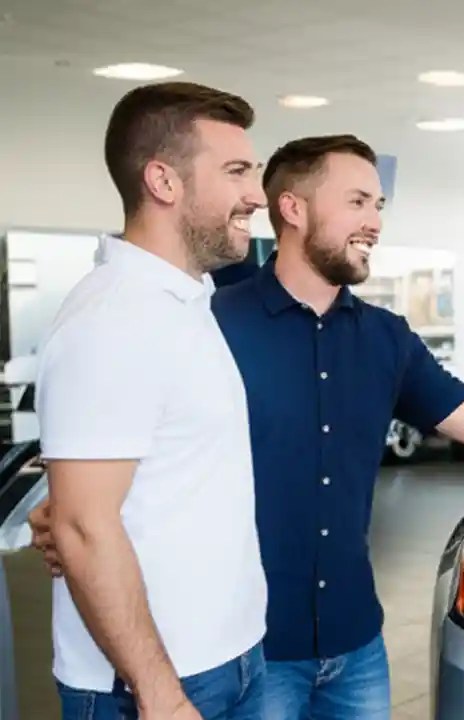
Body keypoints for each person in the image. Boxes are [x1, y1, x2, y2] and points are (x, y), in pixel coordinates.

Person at [33, 133, 464, 719]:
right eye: (357, 202)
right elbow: (130, 440)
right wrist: (65, 509)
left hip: (356, 645)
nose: (375, 221)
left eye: (378, 204)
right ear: (292, 209)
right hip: (250, 652)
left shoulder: (386, 337)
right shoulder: (210, 320)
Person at [34, 81, 270, 719]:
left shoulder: (185, 301)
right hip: (150, 686)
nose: (258, 194)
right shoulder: (113, 318)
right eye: (237, 172)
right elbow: (84, 527)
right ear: (164, 182)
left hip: (231, 660)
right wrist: (158, 691)